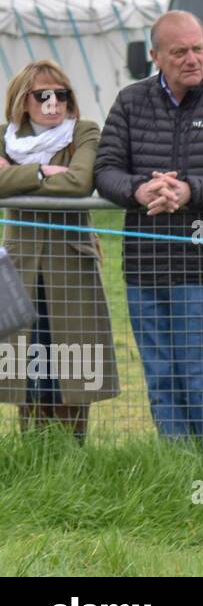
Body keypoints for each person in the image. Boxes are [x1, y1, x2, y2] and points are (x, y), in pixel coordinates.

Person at [94, 11, 203, 451]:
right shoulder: (130, 101)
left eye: (198, 48)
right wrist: (141, 190)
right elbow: (105, 169)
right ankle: (177, 476)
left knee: (202, 377)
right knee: (161, 378)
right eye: (179, 52)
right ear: (155, 56)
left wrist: (189, 192)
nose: (192, 59)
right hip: (145, 265)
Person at [0, 62, 118, 439]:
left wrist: (16, 177)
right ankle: (33, 451)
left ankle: (72, 455)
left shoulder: (84, 132)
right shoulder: (4, 137)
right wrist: (41, 172)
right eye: (43, 95)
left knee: (74, 362)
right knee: (26, 363)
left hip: (71, 265)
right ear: (23, 101)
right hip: (21, 267)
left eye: (61, 94)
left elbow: (80, 182)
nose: (53, 103)